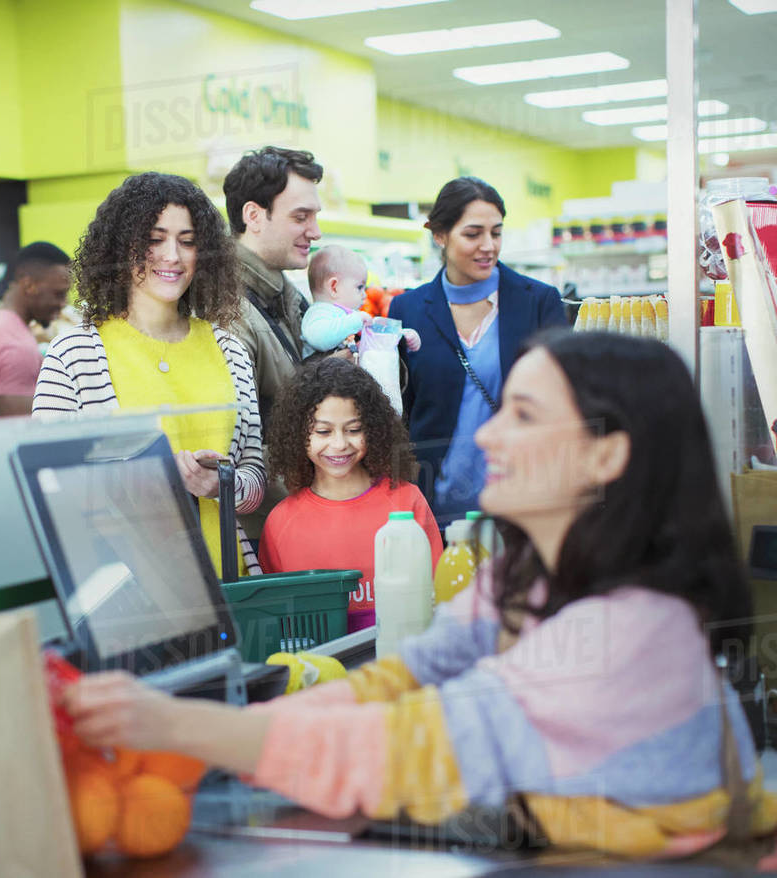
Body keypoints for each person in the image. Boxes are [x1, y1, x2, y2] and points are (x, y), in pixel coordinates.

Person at [61, 331, 777, 860]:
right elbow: (403, 678)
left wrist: (168, 725)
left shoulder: (628, 634)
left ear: (606, 454)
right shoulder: (521, 579)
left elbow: (404, 748)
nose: (489, 435)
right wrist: (232, 732)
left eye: (523, 415)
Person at [32, 172, 264, 578]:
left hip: (229, 579)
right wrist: (144, 481)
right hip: (129, 590)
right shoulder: (74, 354)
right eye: (155, 240)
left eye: (187, 241)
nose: (172, 255)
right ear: (122, 248)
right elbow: (48, 485)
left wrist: (221, 485)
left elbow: (255, 480)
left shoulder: (230, 351)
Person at [389, 176, 567, 528]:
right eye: (473, 234)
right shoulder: (407, 310)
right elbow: (399, 410)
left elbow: (562, 402)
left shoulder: (537, 302)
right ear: (439, 235)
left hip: (522, 503)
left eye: (496, 233)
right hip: (432, 507)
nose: (488, 246)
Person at [259, 358, 442, 632]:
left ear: (374, 429)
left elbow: (439, 598)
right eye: (323, 431)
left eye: (354, 430)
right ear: (297, 433)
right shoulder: (280, 522)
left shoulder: (407, 501)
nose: (339, 444)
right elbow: (277, 622)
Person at [222, 146, 323, 432]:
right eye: (301, 217)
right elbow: (240, 449)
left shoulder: (284, 295)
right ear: (253, 216)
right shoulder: (227, 313)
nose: (316, 232)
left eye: (314, 217)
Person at [0, 241, 70, 419]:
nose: (63, 304)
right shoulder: (18, 346)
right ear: (29, 286)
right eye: (58, 294)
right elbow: (24, 432)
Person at [301, 245, 370, 358]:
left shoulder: (344, 314)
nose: (364, 295)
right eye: (359, 287)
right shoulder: (318, 312)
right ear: (334, 287)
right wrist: (356, 320)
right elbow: (319, 339)